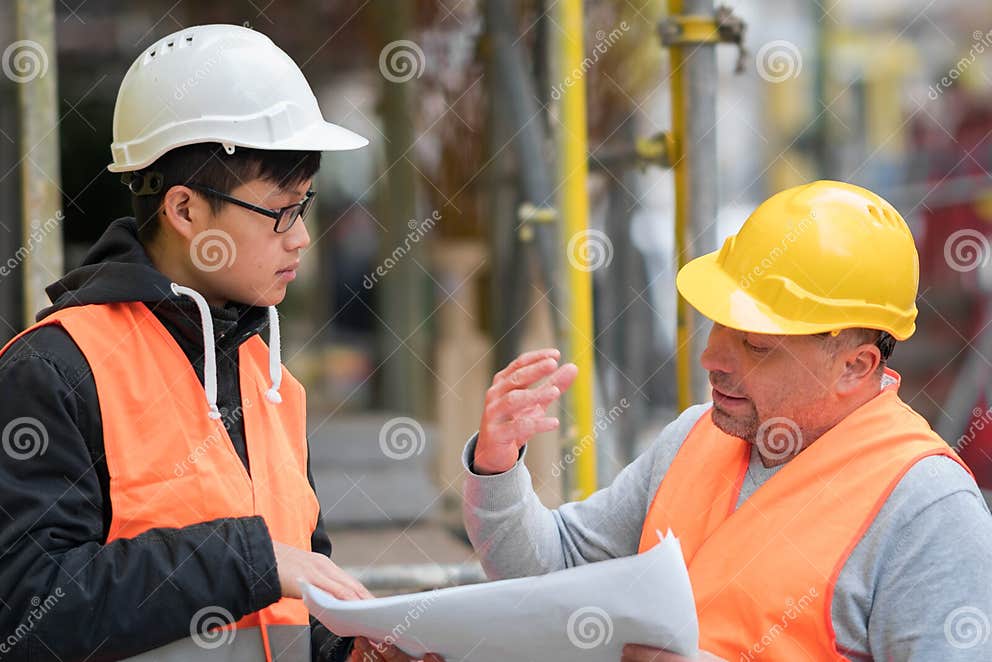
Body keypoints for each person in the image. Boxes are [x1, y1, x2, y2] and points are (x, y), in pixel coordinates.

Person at [0, 24, 432, 662]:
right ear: (184, 210)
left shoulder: (267, 375)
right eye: (280, 211)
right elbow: (26, 610)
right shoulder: (54, 370)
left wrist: (353, 653)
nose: (300, 238)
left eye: (305, 207)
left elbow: (291, 609)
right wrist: (246, 557)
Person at [462, 181, 992, 660]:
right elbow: (554, 574)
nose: (711, 358)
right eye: (720, 325)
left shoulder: (926, 508)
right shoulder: (694, 437)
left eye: (757, 345)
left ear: (854, 366)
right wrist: (497, 470)